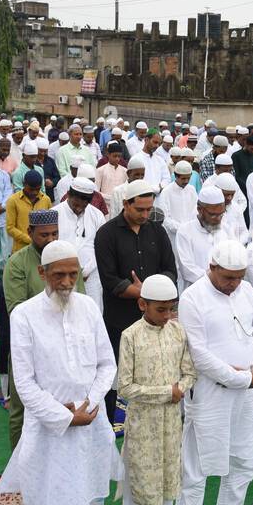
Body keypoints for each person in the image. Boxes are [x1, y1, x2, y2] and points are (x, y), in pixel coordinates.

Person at [0, 240, 121, 505]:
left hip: (91, 422)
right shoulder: (24, 316)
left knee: (90, 497)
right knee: (53, 503)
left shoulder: (89, 306)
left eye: (72, 274)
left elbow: (106, 365)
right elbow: (25, 383)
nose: (67, 282)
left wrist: (89, 404)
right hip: (51, 429)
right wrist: (65, 416)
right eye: (59, 275)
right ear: (42, 274)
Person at [176, 239, 253, 505]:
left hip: (246, 390)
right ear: (212, 268)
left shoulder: (247, 292)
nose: (234, 284)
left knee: (244, 456)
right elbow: (199, 354)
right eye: (228, 277)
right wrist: (241, 377)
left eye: (240, 277)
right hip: (210, 393)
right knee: (199, 463)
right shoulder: (192, 298)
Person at [116, 273, 196, 505]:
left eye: (171, 309)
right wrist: (168, 392)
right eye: (160, 310)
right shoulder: (130, 336)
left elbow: (190, 373)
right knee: (142, 482)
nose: (167, 316)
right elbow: (124, 387)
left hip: (172, 422)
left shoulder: (178, 332)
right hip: (143, 424)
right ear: (142, 304)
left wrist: (181, 388)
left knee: (168, 480)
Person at [94, 181, 178, 423]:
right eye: (139, 210)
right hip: (120, 317)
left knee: (154, 366)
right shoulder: (107, 234)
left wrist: (152, 293)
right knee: (115, 370)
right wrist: (142, 294)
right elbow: (110, 280)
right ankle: (112, 418)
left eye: (148, 210)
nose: (144, 215)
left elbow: (170, 270)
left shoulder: (157, 231)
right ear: (125, 204)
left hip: (154, 318)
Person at [3, 209, 57, 449]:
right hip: (29, 347)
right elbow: (16, 310)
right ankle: (20, 466)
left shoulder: (63, 257)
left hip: (61, 346)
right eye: (44, 235)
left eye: (55, 234)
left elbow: (78, 300)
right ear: (30, 232)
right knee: (21, 408)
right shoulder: (17, 262)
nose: (51, 240)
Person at [53, 177, 105, 307]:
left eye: (85, 202)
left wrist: (86, 271)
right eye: (77, 202)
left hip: (91, 276)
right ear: (69, 195)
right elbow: (51, 246)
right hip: (61, 275)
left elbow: (102, 247)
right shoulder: (55, 213)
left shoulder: (97, 215)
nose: (80, 206)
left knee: (92, 311)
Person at [174, 184, 227, 292]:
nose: (218, 219)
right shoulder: (185, 231)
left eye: (221, 215)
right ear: (200, 209)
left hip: (223, 290)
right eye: (213, 215)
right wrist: (216, 278)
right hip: (195, 293)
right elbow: (187, 269)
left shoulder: (226, 230)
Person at [6, 169, 51, 253]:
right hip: (21, 250)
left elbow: (49, 225)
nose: (34, 193)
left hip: (42, 249)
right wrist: (30, 239)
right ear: (24, 184)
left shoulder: (46, 200)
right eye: (31, 189)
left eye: (37, 189)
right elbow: (10, 228)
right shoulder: (13, 200)